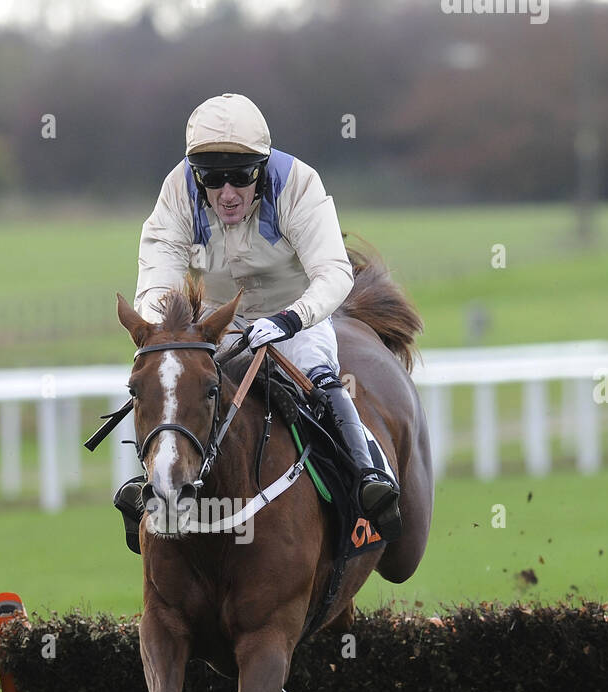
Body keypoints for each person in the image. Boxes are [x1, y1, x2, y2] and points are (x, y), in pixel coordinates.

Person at [113, 92, 401, 551]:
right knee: (170, 385)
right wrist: (161, 336)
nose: (226, 193)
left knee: (322, 378)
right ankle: (151, 488)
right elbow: (157, 277)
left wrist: (291, 319)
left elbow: (333, 272)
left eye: (240, 177)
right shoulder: (179, 190)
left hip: (296, 314)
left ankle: (366, 478)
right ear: (196, 174)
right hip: (215, 324)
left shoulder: (297, 183)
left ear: (262, 168)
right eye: (212, 178)